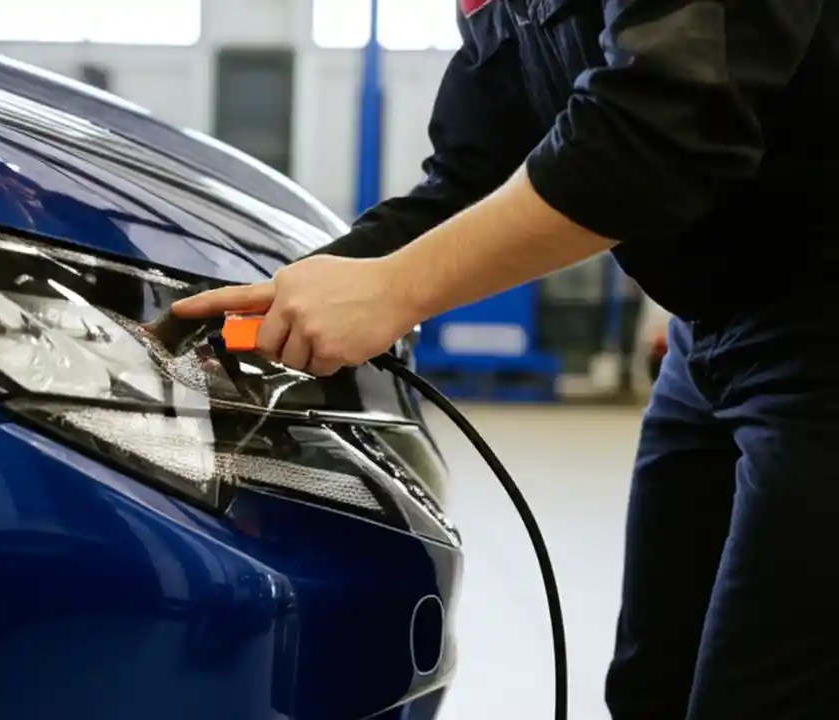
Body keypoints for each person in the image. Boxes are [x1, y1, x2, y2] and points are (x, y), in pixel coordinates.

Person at [171, 0, 839, 717]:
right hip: (711, 327)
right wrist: (300, 291)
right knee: (655, 688)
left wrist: (396, 289)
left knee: (765, 696)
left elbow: (667, 126)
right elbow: (476, 174)